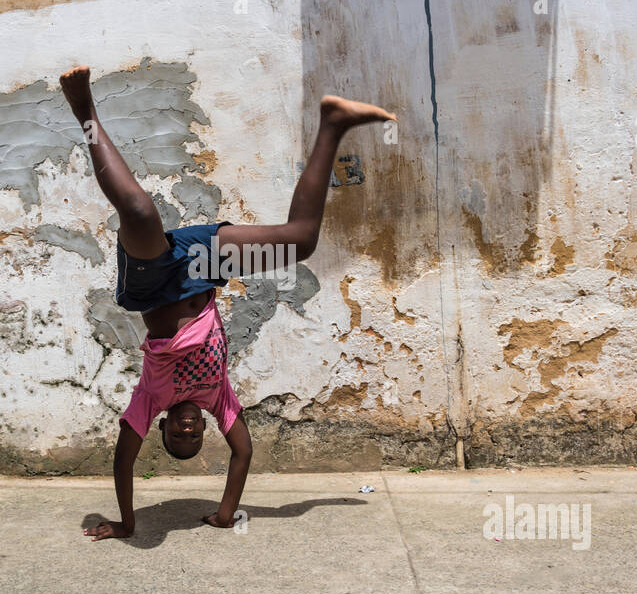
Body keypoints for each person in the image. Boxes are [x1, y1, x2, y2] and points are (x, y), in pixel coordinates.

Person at [58, 65, 394, 540]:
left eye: (179, 435)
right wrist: (224, 512)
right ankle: (334, 123)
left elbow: (123, 459)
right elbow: (243, 454)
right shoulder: (220, 400)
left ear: (164, 426)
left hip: (151, 285)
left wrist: (129, 523)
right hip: (199, 269)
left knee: (138, 211)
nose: (189, 430)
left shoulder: (150, 400)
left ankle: (84, 110)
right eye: (195, 436)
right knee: (300, 243)